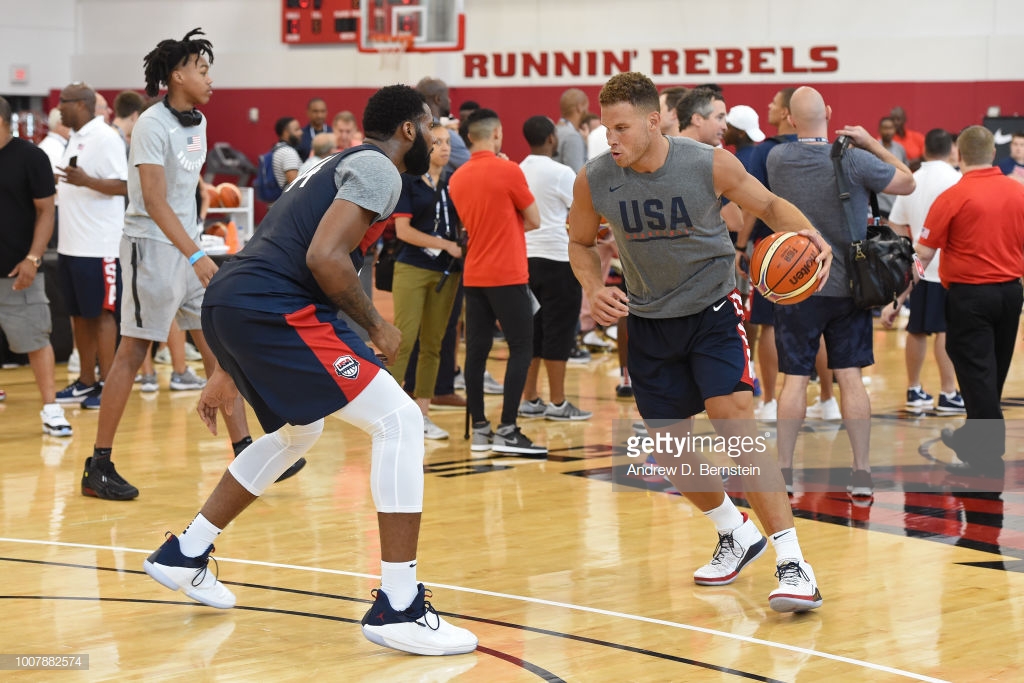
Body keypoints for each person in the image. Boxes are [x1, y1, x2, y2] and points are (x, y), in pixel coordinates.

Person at [142, 83, 478, 657]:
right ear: (406, 131)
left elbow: (295, 246)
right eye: (430, 126)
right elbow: (323, 258)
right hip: (272, 305)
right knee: (398, 420)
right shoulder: (380, 168)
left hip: (238, 297)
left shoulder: (338, 162)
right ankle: (399, 604)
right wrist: (377, 324)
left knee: (301, 430)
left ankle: (187, 552)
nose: (436, 136)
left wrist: (230, 361)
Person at [569, 72, 831, 612]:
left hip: (713, 309)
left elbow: (773, 208)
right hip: (647, 319)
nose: (610, 137)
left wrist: (813, 238)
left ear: (651, 121)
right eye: (604, 127)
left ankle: (793, 563)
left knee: (736, 428)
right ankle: (734, 531)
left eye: (620, 127)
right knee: (670, 449)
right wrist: (594, 289)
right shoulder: (595, 179)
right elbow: (577, 242)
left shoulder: (707, 163)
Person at [83, 28, 264, 501]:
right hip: (152, 248)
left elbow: (185, 187)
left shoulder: (197, 123)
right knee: (133, 352)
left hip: (186, 247)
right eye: (202, 71)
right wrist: (197, 252)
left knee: (217, 348)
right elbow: (155, 201)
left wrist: (199, 221)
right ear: (177, 75)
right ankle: (98, 465)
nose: (210, 80)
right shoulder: (150, 124)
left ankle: (246, 452)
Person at [768, 86, 914, 499]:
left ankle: (784, 474)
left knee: (794, 380)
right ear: (829, 113)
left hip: (796, 285)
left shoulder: (778, 159)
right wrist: (873, 143)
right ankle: (861, 474)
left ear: (791, 120)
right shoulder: (852, 156)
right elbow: (907, 183)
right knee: (851, 378)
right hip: (850, 286)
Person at [917, 125, 1024, 478]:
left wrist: (895, 296)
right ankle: (969, 438)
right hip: (1010, 294)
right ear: (994, 154)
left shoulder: (953, 196)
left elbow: (924, 255)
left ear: (958, 155)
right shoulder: (1018, 192)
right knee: (990, 375)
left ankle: (987, 457)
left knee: (978, 376)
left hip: (969, 297)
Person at [448, 108, 546, 455]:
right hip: (507, 273)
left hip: (474, 274)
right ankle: (508, 428)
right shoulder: (509, 170)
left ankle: (480, 430)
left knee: (476, 352)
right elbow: (534, 220)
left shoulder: (456, 178)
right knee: (521, 347)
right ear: (498, 133)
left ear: (467, 137)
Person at [52, 82, 128, 411]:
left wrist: (87, 181)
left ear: (82, 105)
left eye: (64, 102)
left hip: (100, 246)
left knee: (102, 315)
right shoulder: (77, 136)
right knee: (79, 316)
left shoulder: (106, 137)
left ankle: (108, 384)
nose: (59, 108)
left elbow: (124, 185)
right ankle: (86, 381)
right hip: (72, 245)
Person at [0, 95, 72, 437]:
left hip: (17, 270)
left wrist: (32, 258)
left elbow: (46, 211)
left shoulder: (31, 157)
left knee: (34, 338)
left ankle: (51, 408)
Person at [881, 129, 964, 413]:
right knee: (945, 331)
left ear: (925, 149)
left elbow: (894, 226)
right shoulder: (957, 180)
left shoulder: (912, 180)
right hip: (948, 270)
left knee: (916, 329)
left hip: (917, 266)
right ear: (951, 149)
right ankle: (949, 393)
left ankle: (914, 390)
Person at [389, 123, 463, 440]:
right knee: (404, 340)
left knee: (434, 344)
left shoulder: (454, 184)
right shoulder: (409, 181)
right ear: (426, 147)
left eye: (448, 142)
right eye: (439, 142)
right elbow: (403, 232)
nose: (445, 148)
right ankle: (388, 412)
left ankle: (422, 414)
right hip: (412, 269)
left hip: (447, 272)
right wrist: (444, 244)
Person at [517, 115, 592, 422]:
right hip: (558, 261)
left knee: (532, 331)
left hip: (524, 260)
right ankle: (558, 403)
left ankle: (530, 398)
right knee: (558, 333)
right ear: (551, 138)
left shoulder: (517, 170)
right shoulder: (561, 172)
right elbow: (582, 210)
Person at [876, 116, 910, 219]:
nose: (888, 131)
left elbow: (906, 170)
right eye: (885, 128)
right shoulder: (874, 147)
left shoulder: (900, 149)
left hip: (897, 202)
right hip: (880, 203)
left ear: (895, 129)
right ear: (879, 129)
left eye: (891, 128)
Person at [555, 88, 589, 173]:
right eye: (586, 107)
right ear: (580, 107)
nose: (587, 111)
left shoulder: (554, 130)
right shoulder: (572, 136)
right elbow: (577, 177)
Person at [271, 116, 303, 193]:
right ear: (285, 132)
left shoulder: (279, 149)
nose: (301, 132)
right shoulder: (288, 152)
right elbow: (295, 183)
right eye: (296, 130)